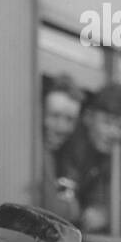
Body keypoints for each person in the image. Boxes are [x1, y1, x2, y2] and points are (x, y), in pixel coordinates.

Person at [56, 81, 121, 234]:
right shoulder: (72, 145)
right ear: (87, 117)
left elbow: (100, 199)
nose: (113, 133)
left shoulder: (105, 156)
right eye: (107, 122)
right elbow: (65, 208)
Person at [39, 74, 83, 220]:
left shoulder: (66, 156)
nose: (62, 127)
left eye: (69, 119)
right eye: (55, 116)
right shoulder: (36, 153)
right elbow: (55, 209)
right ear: (40, 113)